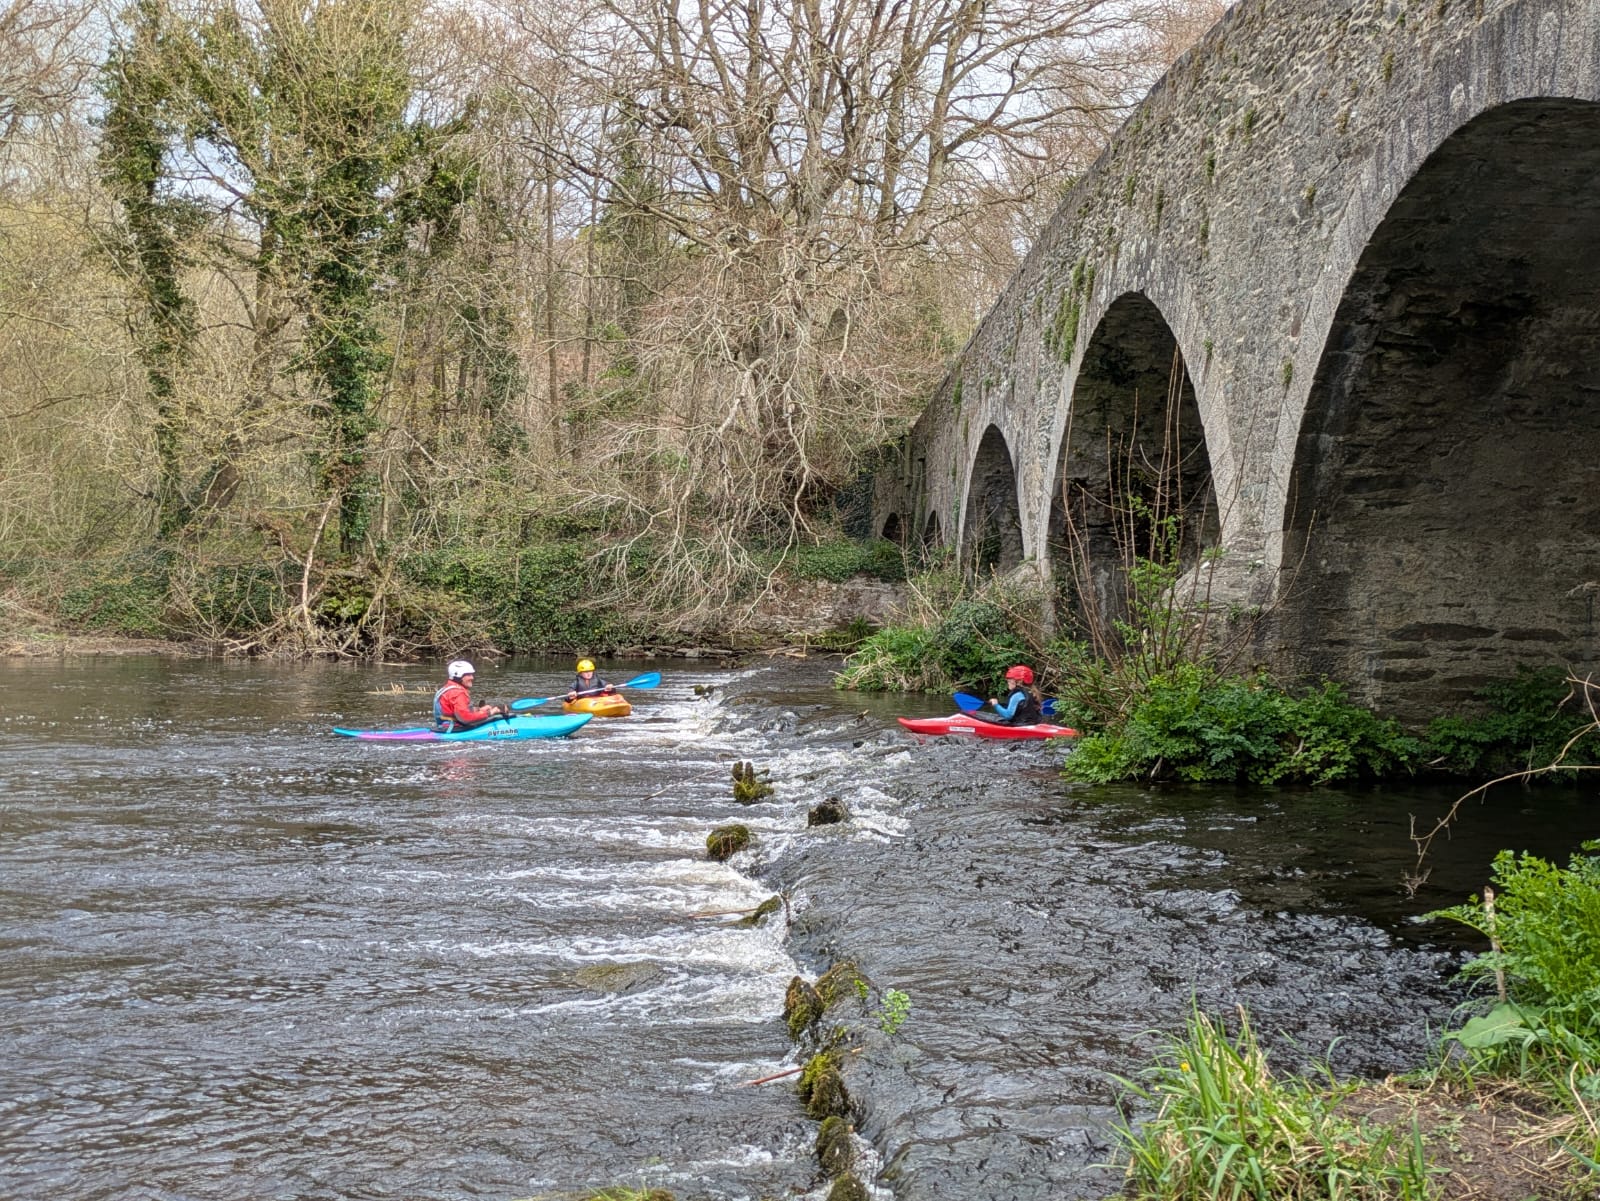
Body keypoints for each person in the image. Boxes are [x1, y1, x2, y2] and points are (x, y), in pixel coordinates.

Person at [433, 659, 510, 731]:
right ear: (458, 676)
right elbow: (465, 718)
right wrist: (491, 712)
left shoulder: (446, 688)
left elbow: (455, 711)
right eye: (468, 675)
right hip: (455, 729)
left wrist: (479, 710)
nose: (472, 677)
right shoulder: (458, 693)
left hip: (443, 727)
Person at [976, 664, 1045, 726]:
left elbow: (1008, 716)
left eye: (1010, 679)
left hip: (1021, 725)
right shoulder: (1033, 692)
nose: (1007, 681)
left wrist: (996, 705)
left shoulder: (1017, 696)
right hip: (1033, 723)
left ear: (1019, 681)